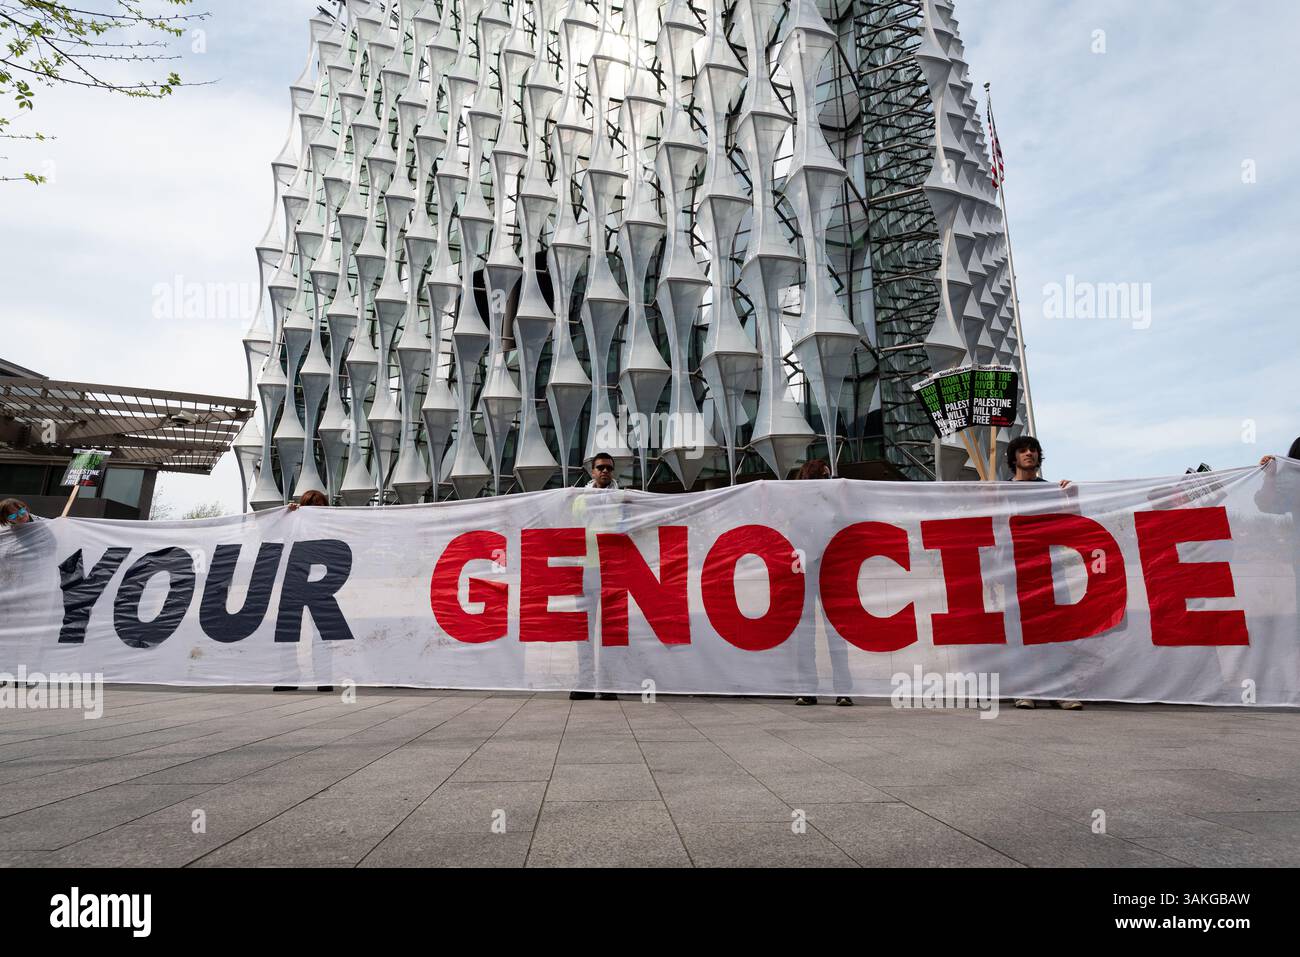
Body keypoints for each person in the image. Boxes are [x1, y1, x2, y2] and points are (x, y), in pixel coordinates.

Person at [1005, 437, 1082, 710]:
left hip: (1049, 569)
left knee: (1056, 632)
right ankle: (1025, 689)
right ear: (1013, 457)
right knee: (1020, 634)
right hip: (1013, 570)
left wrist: (1070, 497)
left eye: (1033, 450)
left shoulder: (1052, 490)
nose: (1029, 454)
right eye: (1023, 450)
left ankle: (1062, 690)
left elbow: (1074, 522)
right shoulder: (1000, 491)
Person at [792, 459, 853, 707]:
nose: (828, 479)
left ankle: (843, 690)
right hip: (807, 571)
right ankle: (808, 689)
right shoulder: (798, 506)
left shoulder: (835, 505)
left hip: (829, 572)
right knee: (805, 633)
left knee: (835, 632)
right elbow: (793, 535)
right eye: (824, 475)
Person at [571, 453, 620, 701]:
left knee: (611, 631)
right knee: (584, 631)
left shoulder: (621, 499)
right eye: (599, 467)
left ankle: (608, 683)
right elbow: (572, 530)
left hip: (612, 571)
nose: (604, 471)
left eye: (608, 468)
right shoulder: (579, 501)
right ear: (591, 472)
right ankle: (586, 682)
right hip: (586, 570)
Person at [277, 490, 334, 693]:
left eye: (318, 505)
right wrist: (287, 515)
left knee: (322, 633)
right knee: (288, 631)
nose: (314, 509)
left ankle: (324, 677)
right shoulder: (295, 522)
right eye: (310, 505)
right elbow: (279, 535)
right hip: (295, 579)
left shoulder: (331, 524)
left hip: (321, 582)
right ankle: (289, 677)